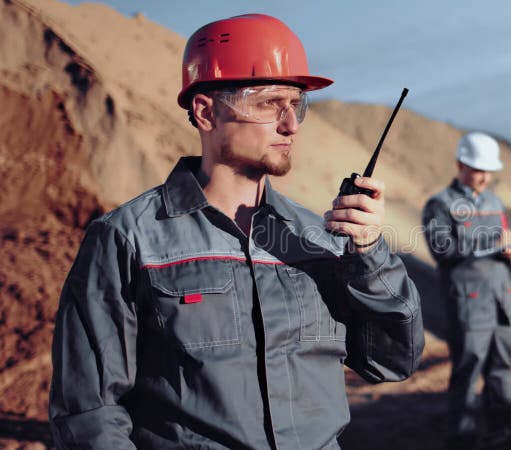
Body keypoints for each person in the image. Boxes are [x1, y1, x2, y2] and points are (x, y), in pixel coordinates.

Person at [49, 14, 424, 449]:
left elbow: (393, 362)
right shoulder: (128, 239)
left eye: (295, 103)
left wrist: (370, 253)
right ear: (206, 112)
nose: (291, 124)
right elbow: (88, 414)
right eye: (268, 103)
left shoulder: (319, 240)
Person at [422, 132, 511, 449]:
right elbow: (442, 249)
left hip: (501, 299)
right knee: (467, 374)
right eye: (478, 169)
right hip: (469, 304)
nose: (484, 177)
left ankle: (500, 435)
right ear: (460, 164)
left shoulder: (494, 202)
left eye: (487, 171)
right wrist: (495, 244)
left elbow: (506, 246)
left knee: (501, 372)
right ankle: (461, 439)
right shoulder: (440, 205)